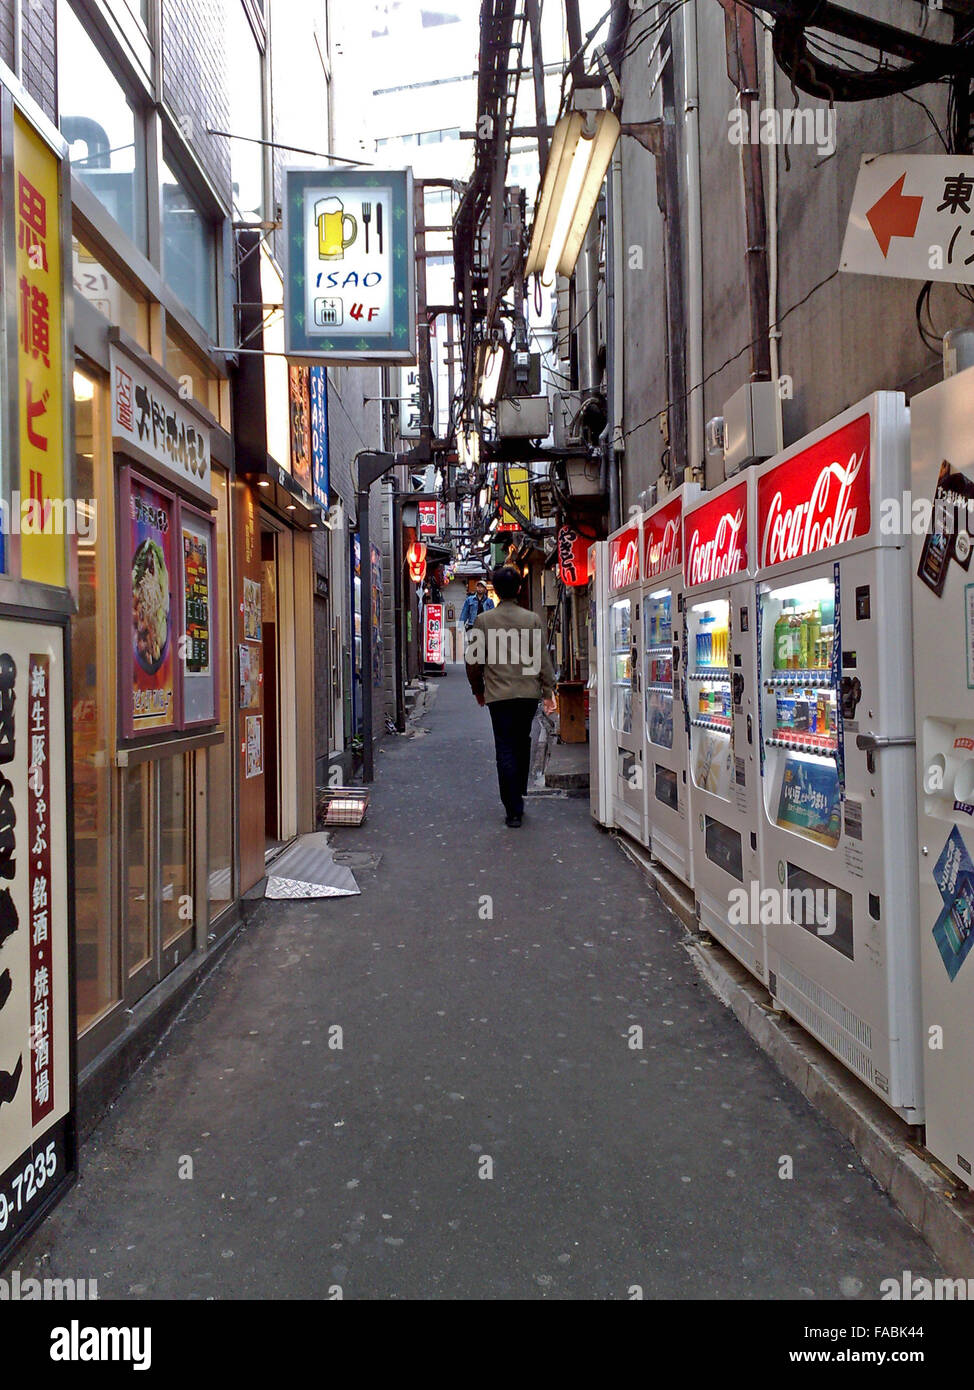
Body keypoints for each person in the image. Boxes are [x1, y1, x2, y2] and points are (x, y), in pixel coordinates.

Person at [464, 565, 557, 828]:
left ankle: (512, 807)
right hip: (527, 694)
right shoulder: (531, 619)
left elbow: (473, 661)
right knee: (522, 742)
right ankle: (518, 794)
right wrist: (548, 691)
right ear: (518, 588)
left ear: (495, 588)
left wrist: (478, 690)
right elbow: (542, 660)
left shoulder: (484, 621)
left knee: (504, 747)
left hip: (498, 695)